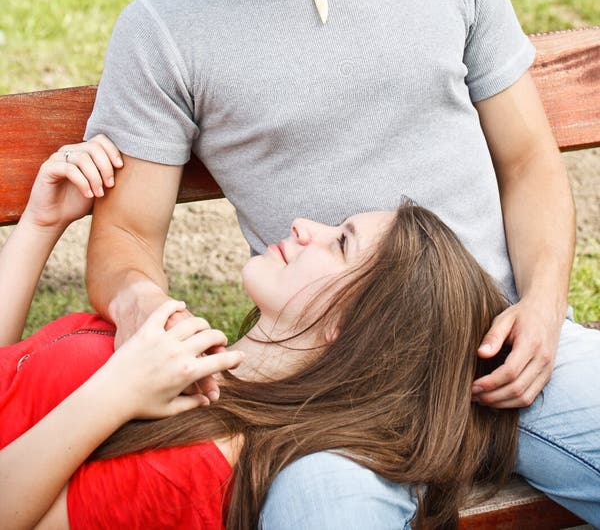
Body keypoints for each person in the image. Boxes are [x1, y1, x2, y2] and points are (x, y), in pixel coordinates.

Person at [83, 0, 600, 527]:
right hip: (334, 387)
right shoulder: (165, 26)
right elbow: (123, 242)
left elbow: (529, 162)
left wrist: (539, 308)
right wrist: (140, 304)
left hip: (502, 344)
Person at [0, 140, 518, 530]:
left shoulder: (201, 466)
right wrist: (42, 226)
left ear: (356, 328)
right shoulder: (191, 370)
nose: (302, 225)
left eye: (340, 243)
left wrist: (117, 390)